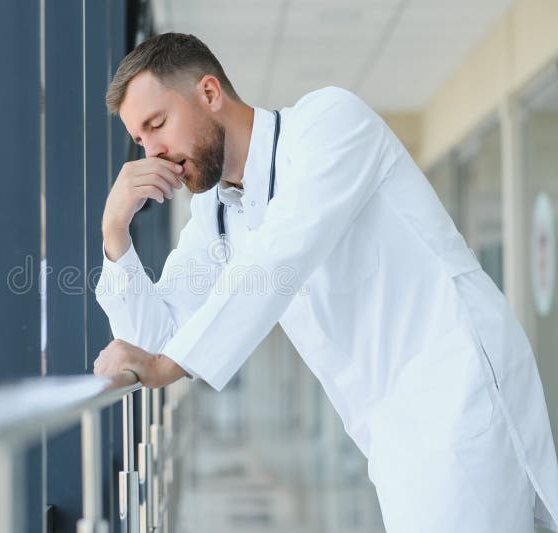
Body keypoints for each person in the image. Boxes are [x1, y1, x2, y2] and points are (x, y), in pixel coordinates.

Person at [91, 32, 558, 532]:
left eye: (157, 125)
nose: (152, 153)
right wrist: (115, 233)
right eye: (139, 140)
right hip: (389, 425)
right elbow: (152, 341)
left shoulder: (329, 123)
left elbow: (281, 256)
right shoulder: (218, 212)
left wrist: (169, 365)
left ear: (209, 94)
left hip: (455, 381)